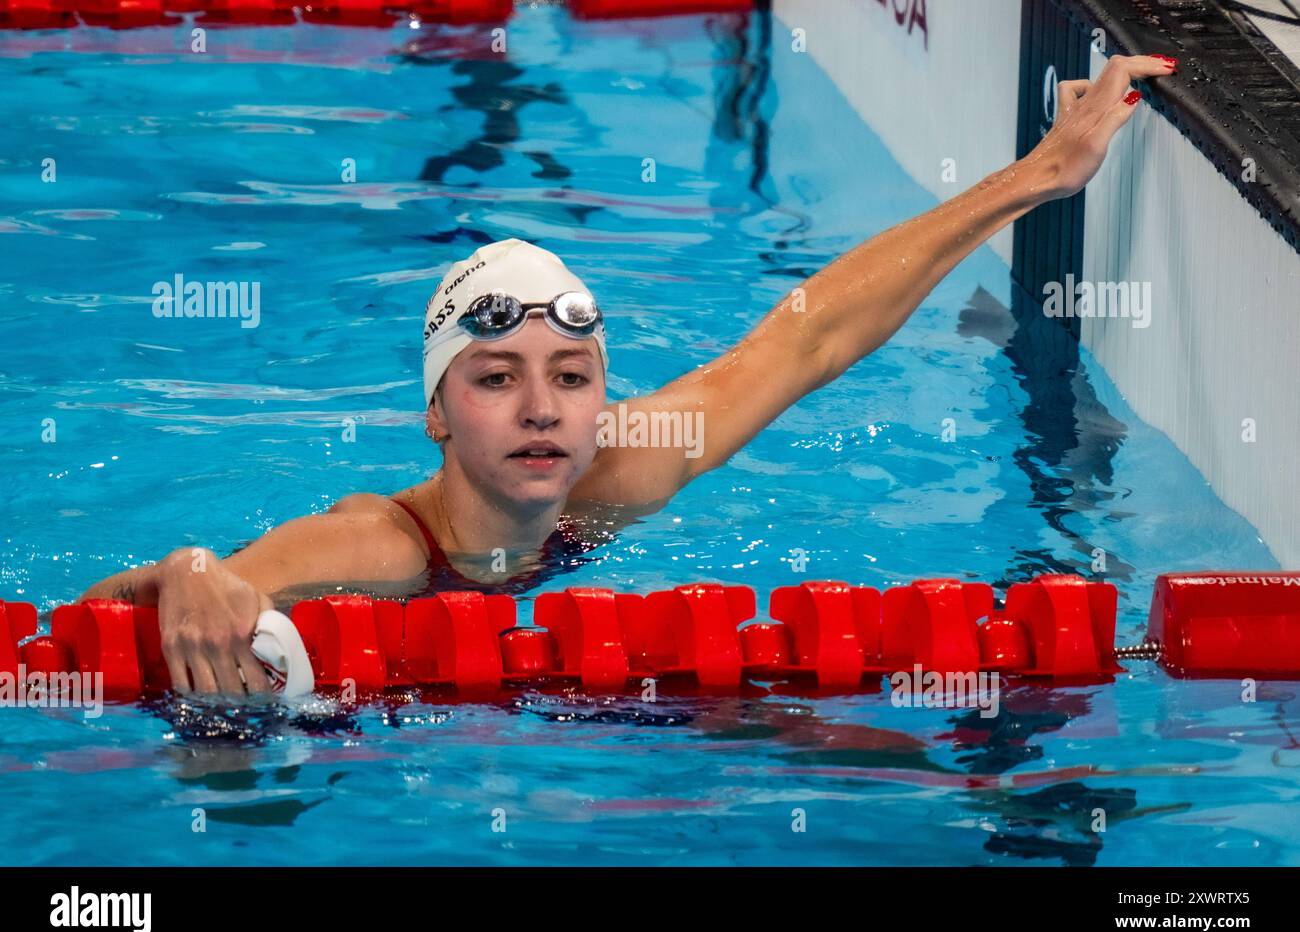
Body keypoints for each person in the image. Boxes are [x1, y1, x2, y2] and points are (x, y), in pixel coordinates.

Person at [80, 54, 1178, 695]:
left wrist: (1038, 176)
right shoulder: (374, 547)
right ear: (435, 414)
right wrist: (188, 567)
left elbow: (808, 335)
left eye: (569, 373)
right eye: (495, 377)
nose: (542, 406)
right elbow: (140, 611)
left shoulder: (619, 471)